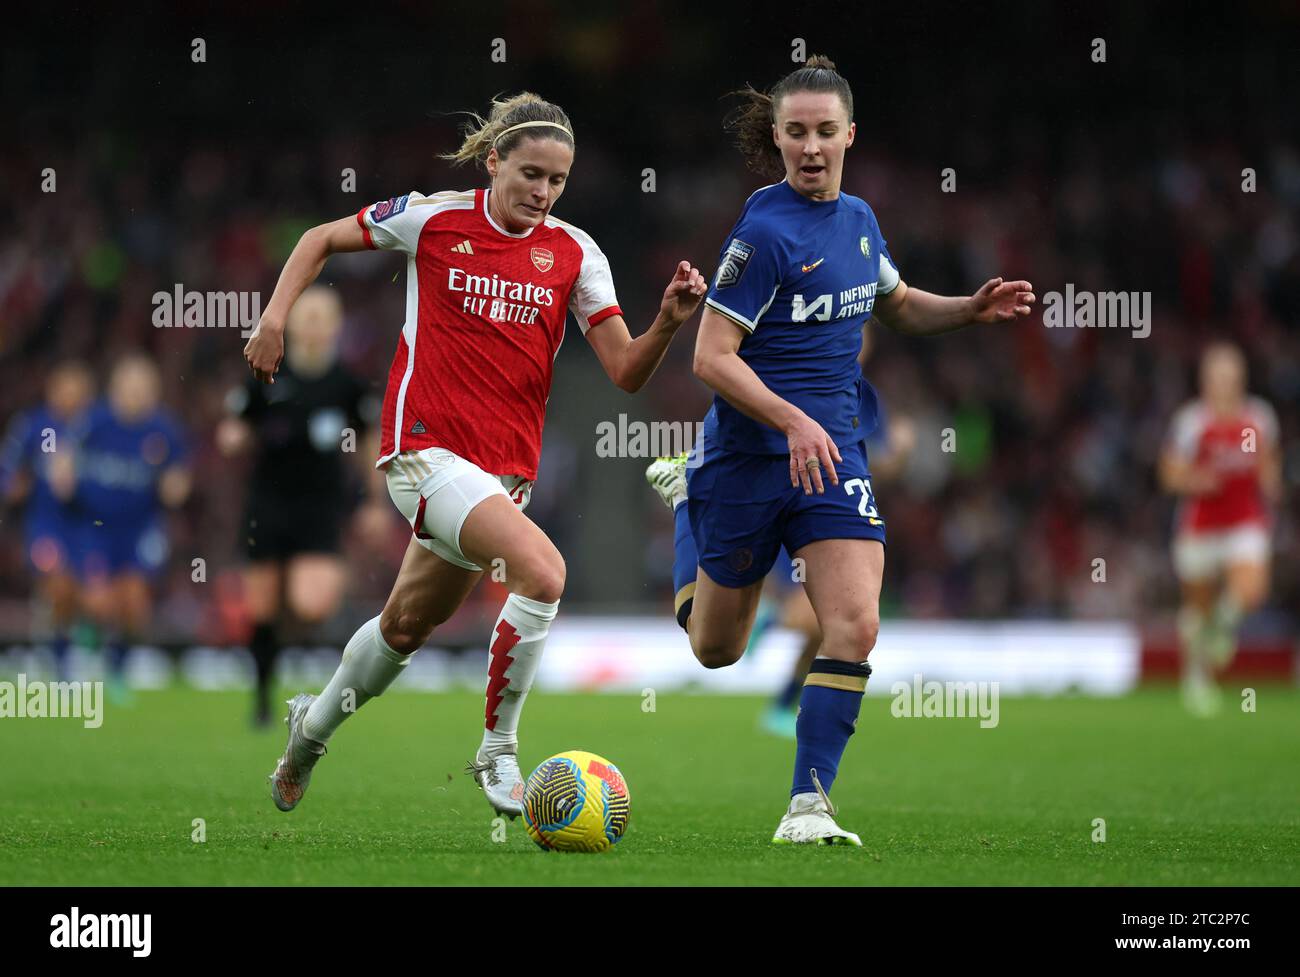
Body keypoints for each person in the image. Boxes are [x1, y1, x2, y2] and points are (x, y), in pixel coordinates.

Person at [243, 92, 707, 817]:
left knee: (403, 629)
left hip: (499, 473)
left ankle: (309, 732)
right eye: (530, 174)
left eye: (557, 181)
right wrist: (273, 319)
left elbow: (625, 371)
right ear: (494, 161)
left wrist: (669, 324)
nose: (543, 192)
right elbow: (318, 238)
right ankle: (498, 750)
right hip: (421, 451)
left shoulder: (576, 253)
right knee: (546, 572)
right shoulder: (433, 218)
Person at [646, 57, 1033, 845]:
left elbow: (893, 303)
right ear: (780, 138)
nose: (812, 146)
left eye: (826, 131)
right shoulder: (761, 234)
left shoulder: (859, 219)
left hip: (833, 458)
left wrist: (968, 308)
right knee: (715, 648)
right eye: (797, 132)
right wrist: (790, 420)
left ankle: (808, 803)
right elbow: (710, 357)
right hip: (752, 457)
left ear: (849, 134)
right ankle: (690, 493)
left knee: (852, 623)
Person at [218, 286, 389, 727]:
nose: (313, 324)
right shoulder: (266, 372)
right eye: (306, 315)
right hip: (268, 502)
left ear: (335, 326)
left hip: (321, 506)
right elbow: (234, 423)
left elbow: (369, 441)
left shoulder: (348, 385)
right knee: (261, 606)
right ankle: (261, 697)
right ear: (291, 323)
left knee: (311, 603)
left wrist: (374, 501)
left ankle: (288, 639)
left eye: (322, 316)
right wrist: (234, 436)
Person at [1159, 342, 1280, 716]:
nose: (1225, 383)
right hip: (1200, 527)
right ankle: (1197, 676)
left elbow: (1267, 463)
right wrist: (1197, 480)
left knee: (1251, 589)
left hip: (1245, 520)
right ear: (1206, 381)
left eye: (1230, 376)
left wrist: (1272, 483)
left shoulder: (1259, 418)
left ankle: (1225, 625)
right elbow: (1169, 475)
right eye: (1218, 377)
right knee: (1198, 609)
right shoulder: (1192, 422)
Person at [73, 354, 192, 702]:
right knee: (98, 600)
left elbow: (178, 475)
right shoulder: (93, 422)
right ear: (114, 389)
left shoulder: (163, 429)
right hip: (96, 525)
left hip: (141, 528)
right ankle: (88, 642)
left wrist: (176, 485)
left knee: (134, 603)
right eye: (129, 387)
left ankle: (117, 669)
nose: (135, 395)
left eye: (142, 389)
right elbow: (65, 454)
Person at [0, 361, 96, 681]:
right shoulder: (34, 426)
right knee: (56, 581)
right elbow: (9, 469)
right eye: (64, 390)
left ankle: (73, 650)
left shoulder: (95, 429)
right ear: (52, 391)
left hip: (86, 526)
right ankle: (56, 658)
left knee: (82, 594)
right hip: (46, 525)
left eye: (77, 392)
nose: (70, 398)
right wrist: (15, 484)